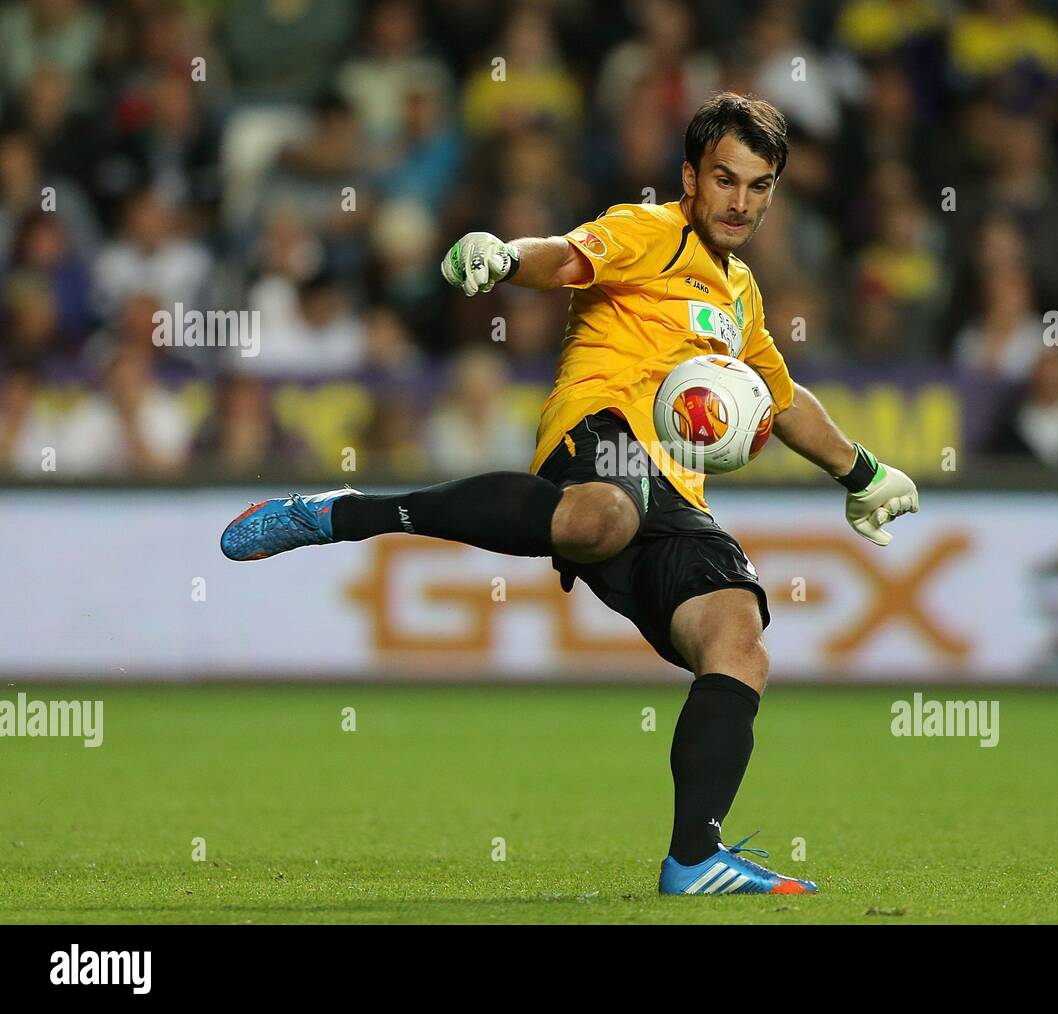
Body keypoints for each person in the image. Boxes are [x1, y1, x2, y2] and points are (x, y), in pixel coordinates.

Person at [219, 93, 919, 896]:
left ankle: (694, 858)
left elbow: (783, 399)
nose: (740, 202)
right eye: (725, 180)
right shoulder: (650, 230)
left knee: (738, 637)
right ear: (690, 177)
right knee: (603, 514)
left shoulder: (743, 296)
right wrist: (505, 259)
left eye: (759, 187)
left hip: (677, 495)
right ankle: (344, 514)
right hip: (600, 432)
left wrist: (862, 473)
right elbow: (565, 255)